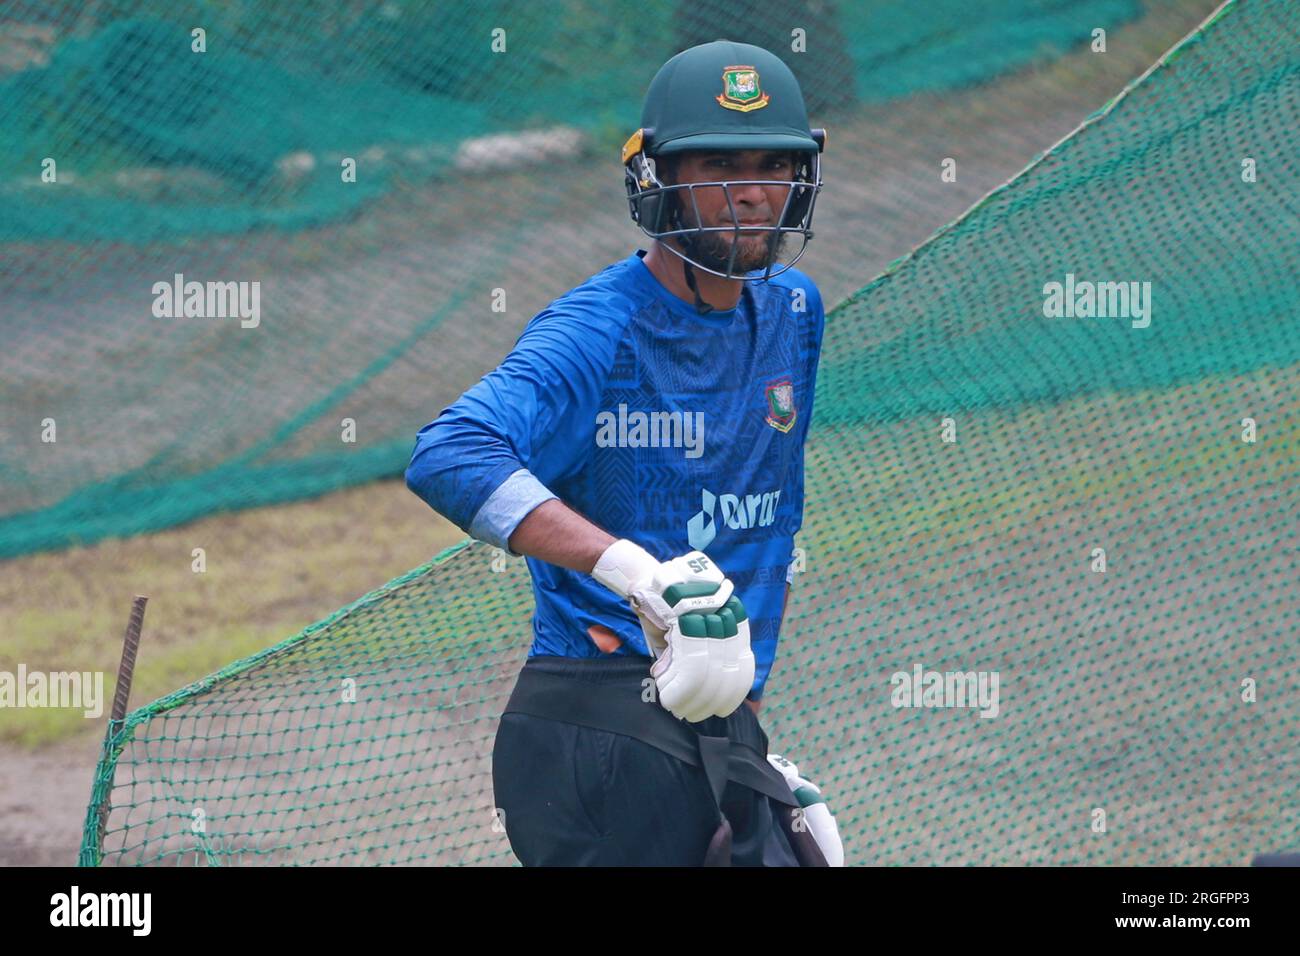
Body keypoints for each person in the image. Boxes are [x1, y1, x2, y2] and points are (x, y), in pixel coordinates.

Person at [406, 39, 841, 866]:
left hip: (713, 724)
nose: (750, 193)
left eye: (773, 165)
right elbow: (450, 451)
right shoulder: (599, 330)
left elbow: (767, 523)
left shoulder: (794, 311)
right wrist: (634, 573)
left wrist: (746, 737)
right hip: (597, 726)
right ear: (659, 182)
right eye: (717, 165)